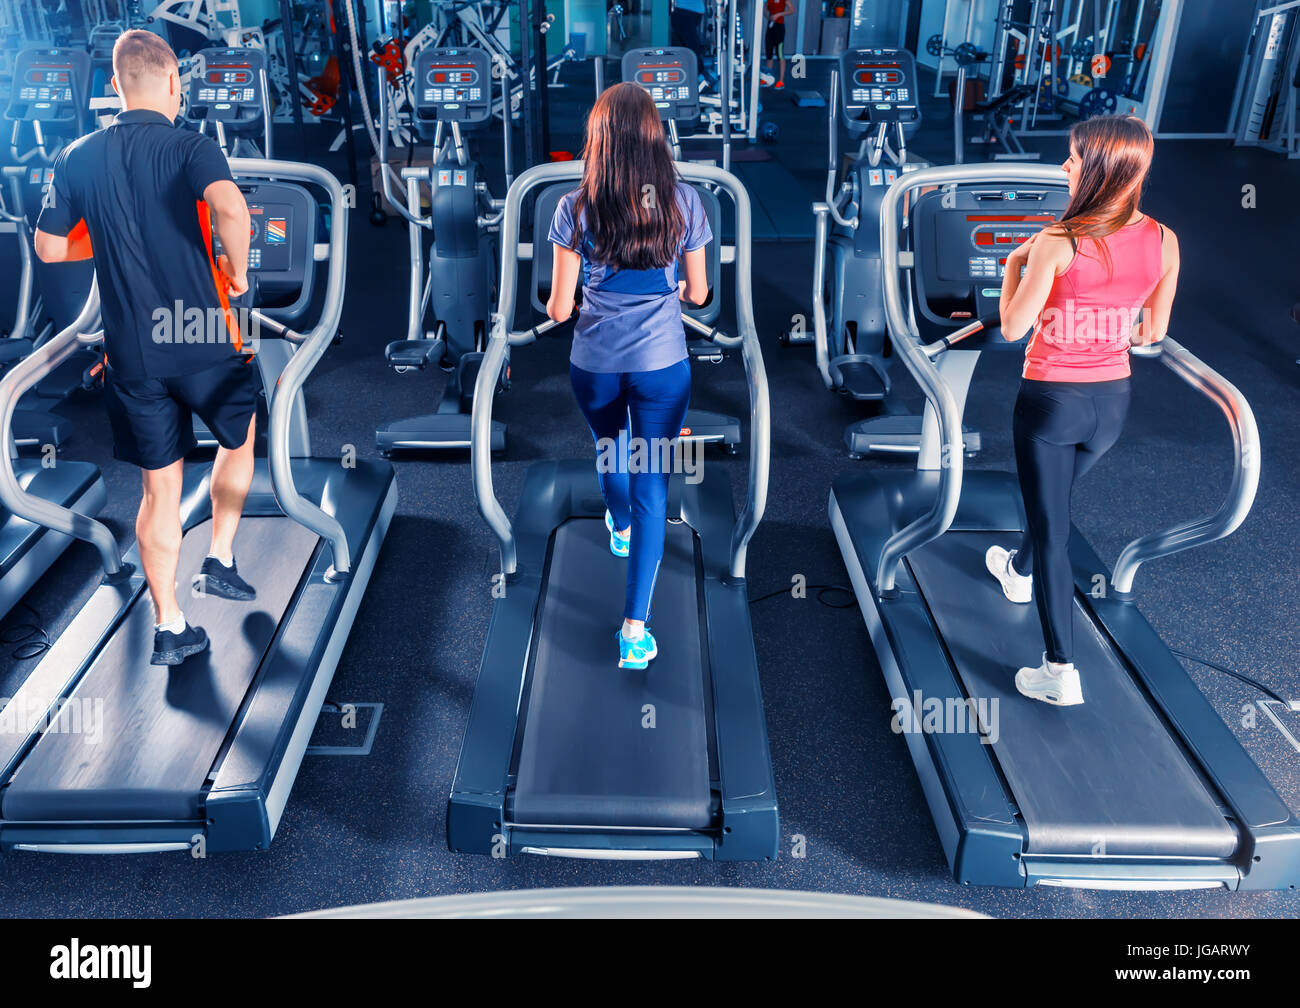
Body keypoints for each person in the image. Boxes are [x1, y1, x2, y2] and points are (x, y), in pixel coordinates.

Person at [34, 29, 257, 667]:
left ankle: (170, 626)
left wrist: (100, 242)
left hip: (131, 352)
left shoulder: (77, 154)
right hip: (200, 334)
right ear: (172, 85)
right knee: (239, 441)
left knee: (159, 491)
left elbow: (49, 249)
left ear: (114, 87)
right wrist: (237, 271)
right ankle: (219, 555)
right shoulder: (192, 146)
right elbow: (233, 210)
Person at [985, 115, 1179, 706]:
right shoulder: (1166, 239)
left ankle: (1059, 669)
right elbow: (1153, 331)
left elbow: (1013, 326)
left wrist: (1015, 266)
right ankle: (1015, 573)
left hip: (1051, 404)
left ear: (1097, 169)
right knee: (1055, 504)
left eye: (1072, 159)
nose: (1065, 167)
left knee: (1052, 531)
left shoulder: (1056, 243)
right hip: (1112, 406)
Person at [546, 83, 711, 671]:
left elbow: (561, 310)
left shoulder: (575, 207)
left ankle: (615, 524)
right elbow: (699, 292)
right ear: (653, 136)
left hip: (595, 367)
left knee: (609, 446)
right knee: (652, 485)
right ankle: (635, 629)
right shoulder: (683, 202)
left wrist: (573, 299)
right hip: (662, 368)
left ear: (600, 140)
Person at [763, 0, 794, 89]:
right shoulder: (768, 1)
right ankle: (767, 78)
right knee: (769, 54)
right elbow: (765, 11)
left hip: (779, 28)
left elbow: (792, 10)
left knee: (779, 54)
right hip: (770, 27)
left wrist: (778, 14)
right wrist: (768, 16)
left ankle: (781, 81)